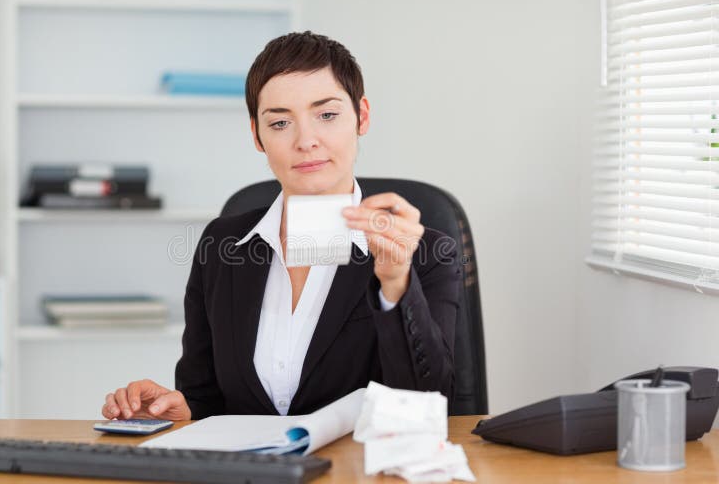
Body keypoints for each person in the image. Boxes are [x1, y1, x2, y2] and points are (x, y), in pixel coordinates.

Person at [101, 31, 461, 421]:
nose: (306, 141)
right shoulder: (221, 245)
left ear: (362, 117)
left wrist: (395, 283)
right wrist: (178, 410)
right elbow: (205, 397)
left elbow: (427, 404)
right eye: (280, 123)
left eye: (327, 115)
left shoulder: (425, 253)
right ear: (257, 135)